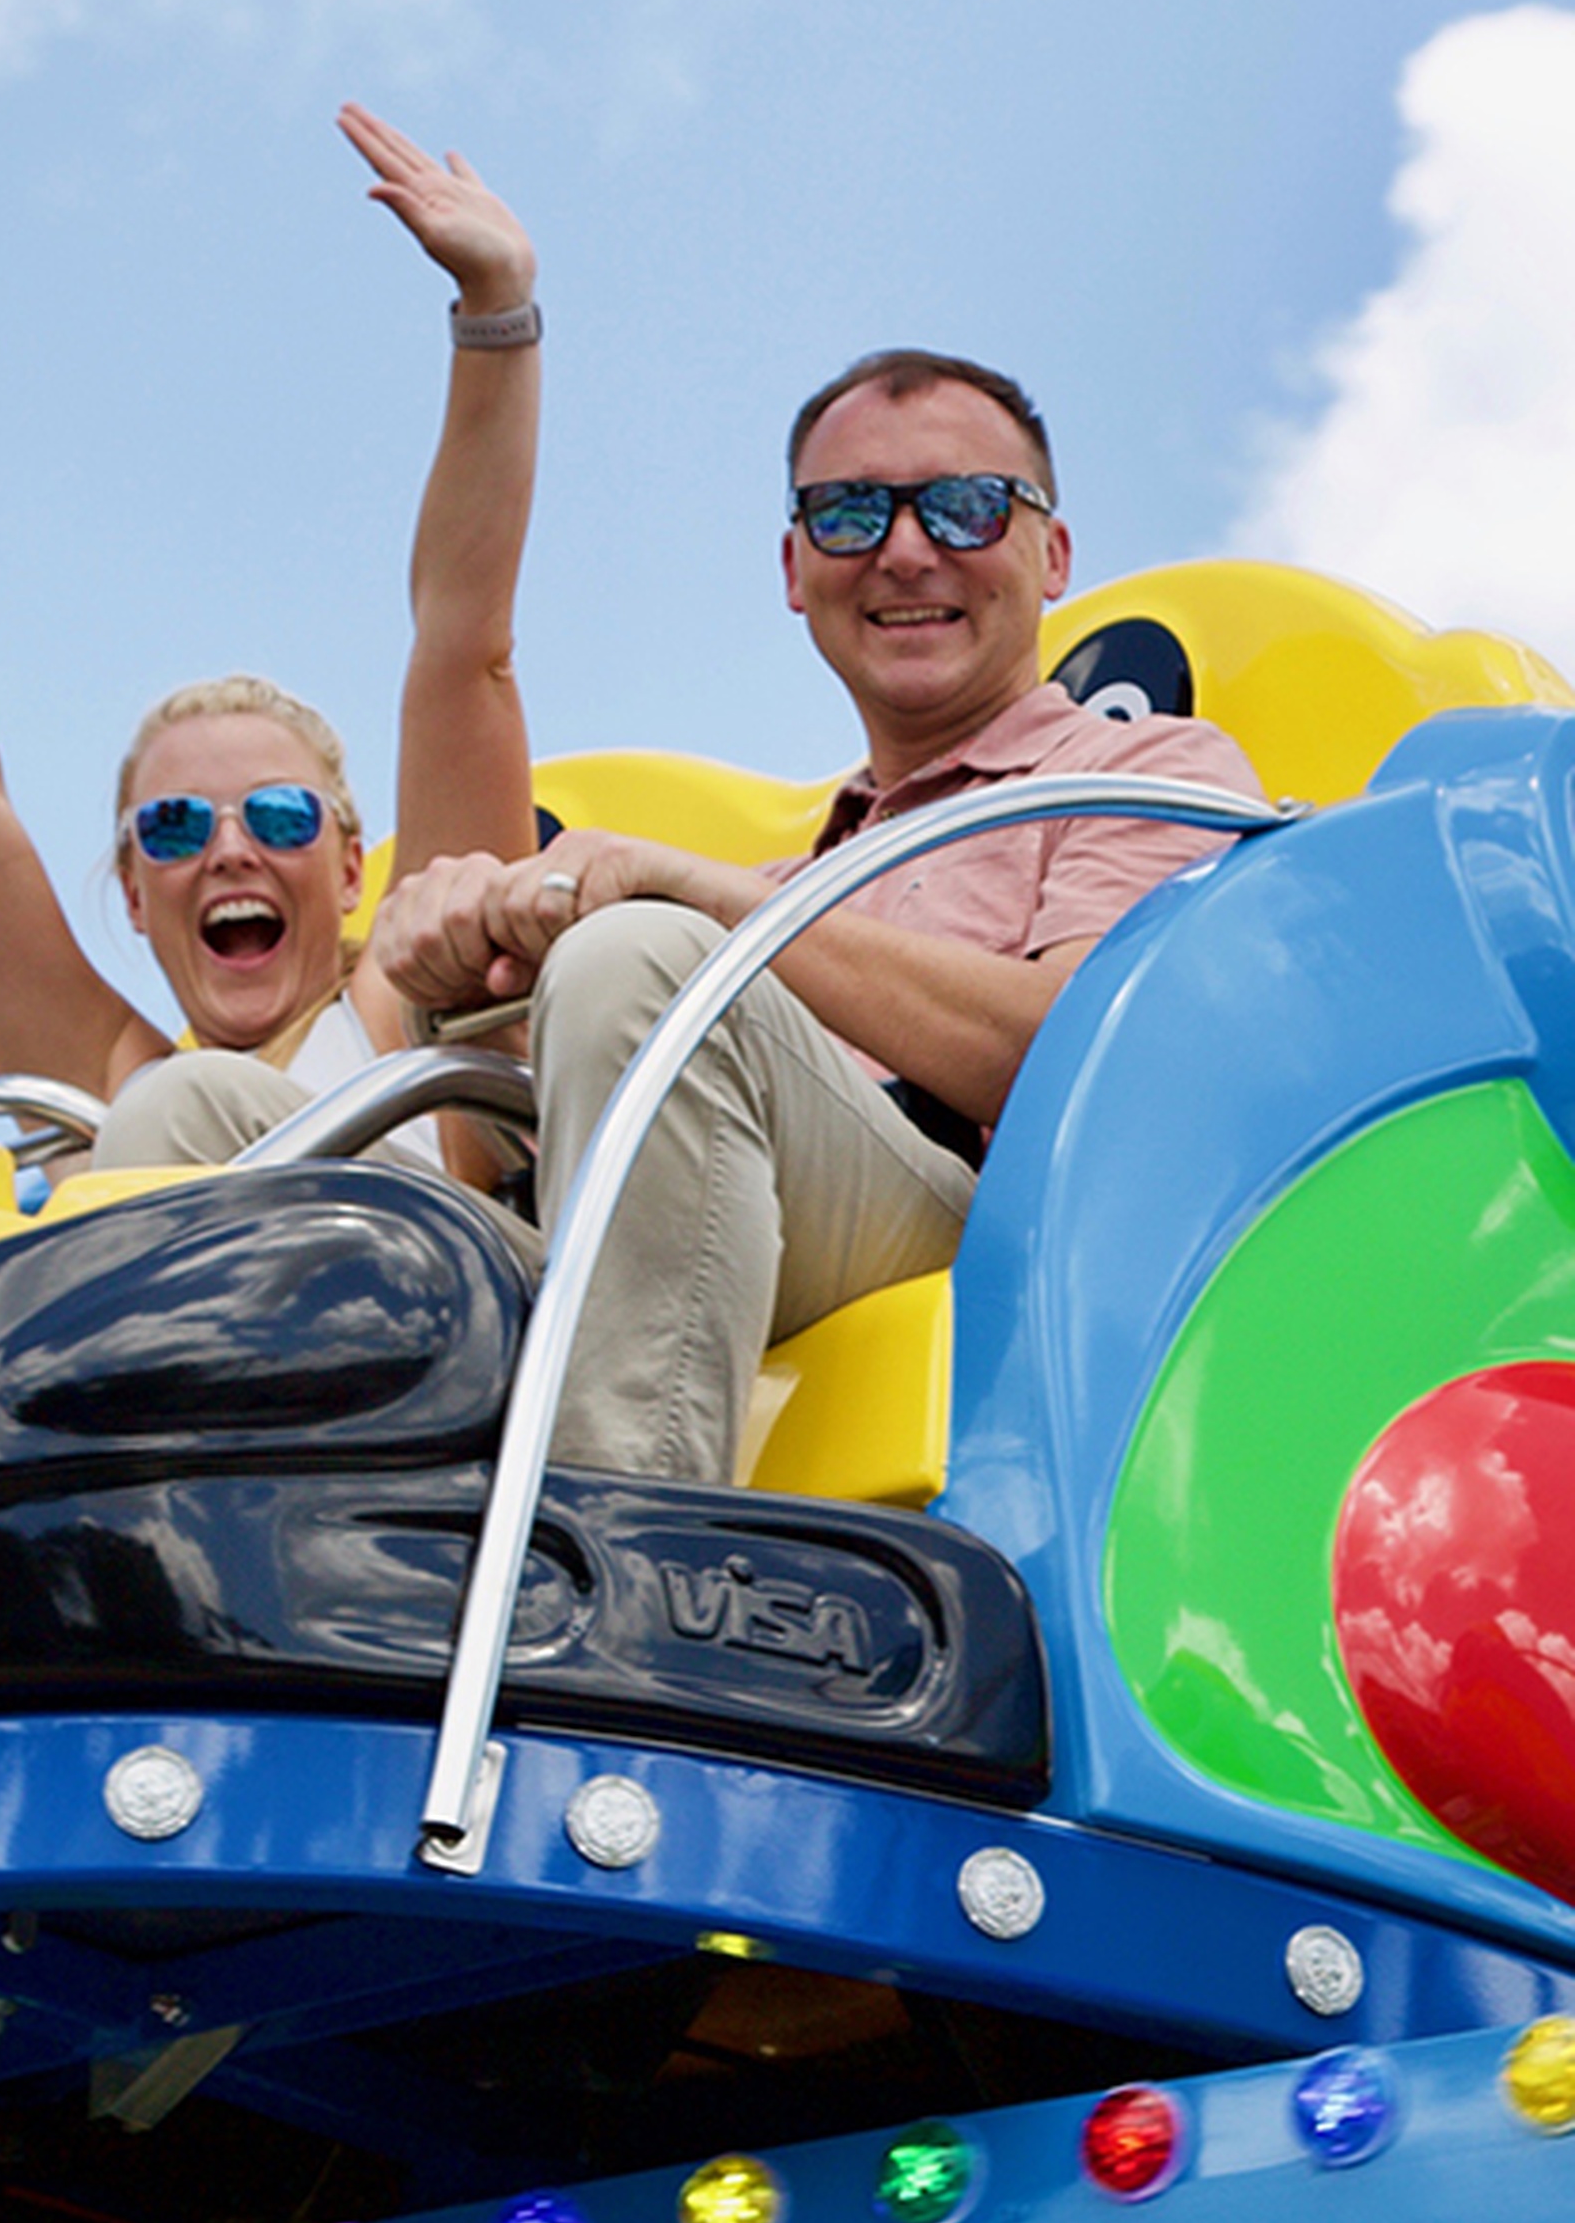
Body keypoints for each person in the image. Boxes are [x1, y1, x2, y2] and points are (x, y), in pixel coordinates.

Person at [369, 349, 1267, 1480]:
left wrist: (708, 906)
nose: (902, 548)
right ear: (795, 568)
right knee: (206, 1107)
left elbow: (1091, 1059)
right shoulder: (778, 879)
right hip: (695, 1239)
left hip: (995, 1248)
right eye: (847, 513)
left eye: (965, 505)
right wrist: (460, 990)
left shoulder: (1140, 768)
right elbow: (556, 1150)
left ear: (1053, 557)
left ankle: (617, 1567)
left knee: (647, 958)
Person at [0, 107, 543, 1190]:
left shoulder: (410, 1010)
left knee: (168, 1111)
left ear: (351, 868)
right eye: (170, 829)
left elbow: (461, 646)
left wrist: (495, 316)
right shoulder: (118, 1089)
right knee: (150, 1113)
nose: (227, 851)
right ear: (129, 892)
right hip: (195, 1339)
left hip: (449, 1336)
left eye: (279, 815)